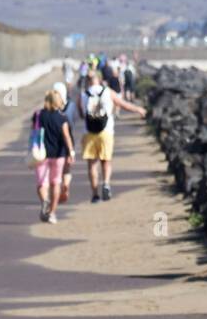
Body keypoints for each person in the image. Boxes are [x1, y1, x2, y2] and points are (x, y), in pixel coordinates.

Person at [80, 63, 146, 203]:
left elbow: (81, 115)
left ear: (88, 81)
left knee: (92, 165)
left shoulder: (83, 95)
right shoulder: (107, 91)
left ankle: (94, 195)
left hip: (89, 132)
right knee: (106, 161)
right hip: (106, 131)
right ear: (100, 79)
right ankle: (106, 184)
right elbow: (123, 105)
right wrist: (138, 109)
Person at [33, 89, 75, 223]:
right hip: (59, 155)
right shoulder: (62, 118)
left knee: (42, 183)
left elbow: (34, 132)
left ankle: (45, 200)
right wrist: (71, 152)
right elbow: (66, 136)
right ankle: (52, 213)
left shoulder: (38, 115)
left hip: (41, 154)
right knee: (55, 183)